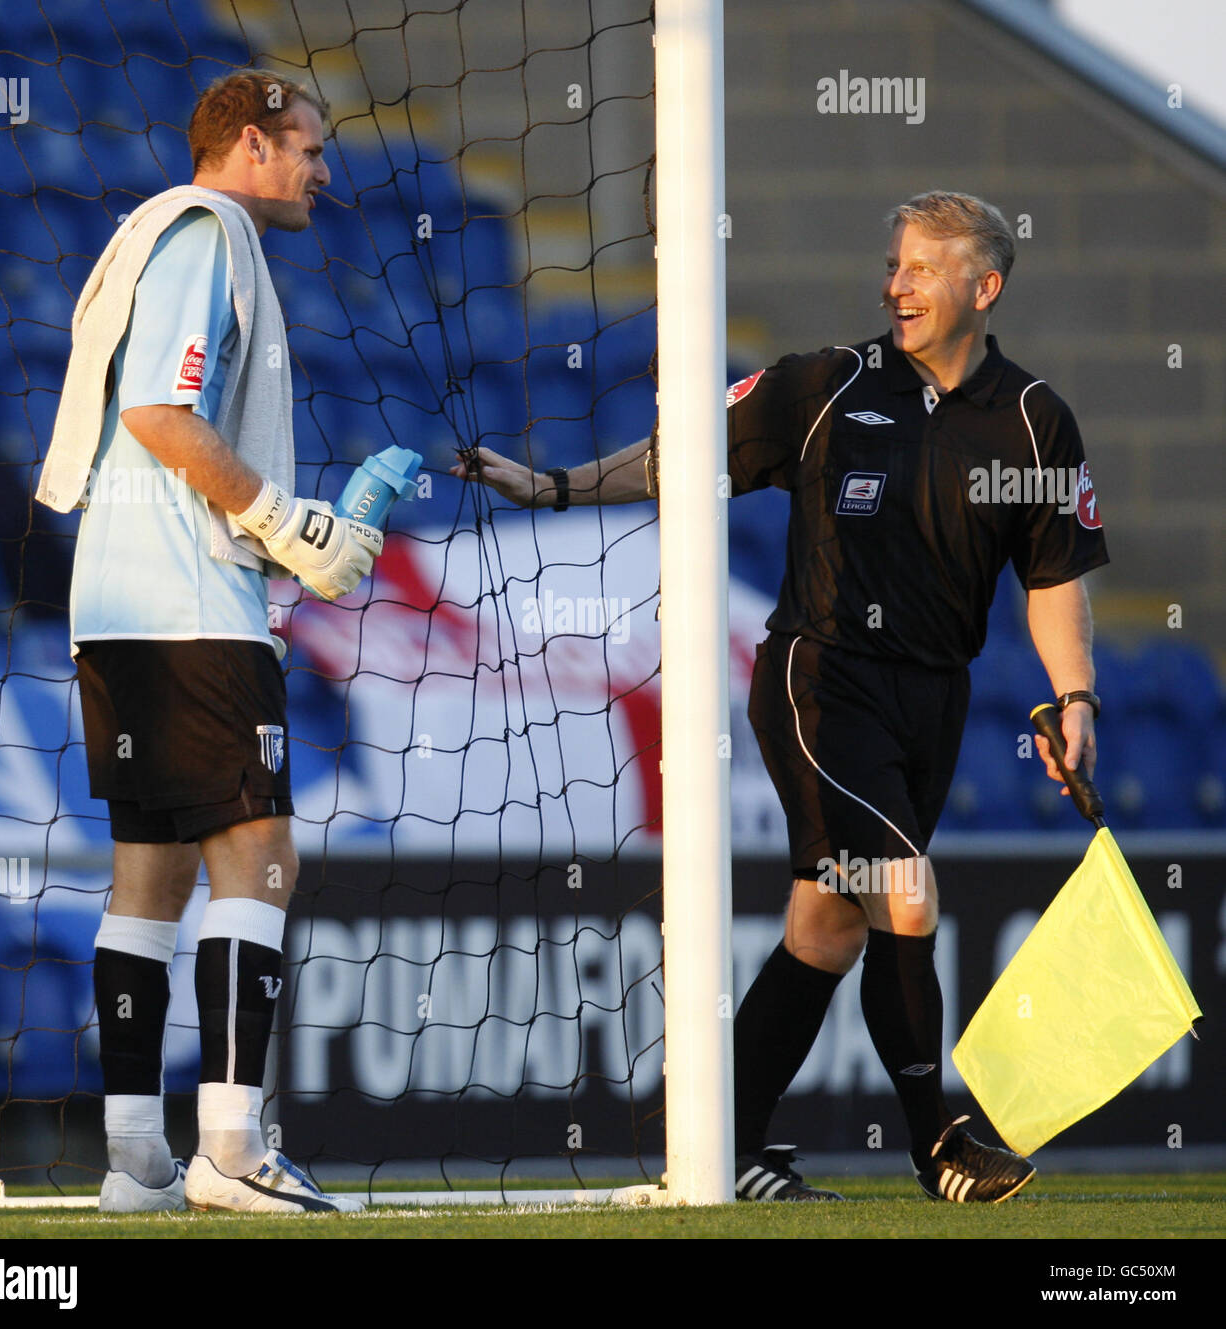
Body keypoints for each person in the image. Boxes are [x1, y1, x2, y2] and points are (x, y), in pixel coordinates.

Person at [454, 190, 1108, 1202]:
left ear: (984, 288)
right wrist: (557, 490)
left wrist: (1076, 700)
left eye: (921, 268)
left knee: (827, 926)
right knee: (900, 888)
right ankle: (939, 1142)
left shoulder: (1033, 422)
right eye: (893, 263)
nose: (896, 283)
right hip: (821, 680)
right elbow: (682, 456)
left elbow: (1055, 576)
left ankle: (727, 1146)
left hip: (931, 703)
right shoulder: (827, 385)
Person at [37, 71, 382, 1213]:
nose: (322, 171)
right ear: (251, 144)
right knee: (262, 857)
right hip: (189, 607)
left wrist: (283, 535)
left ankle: (135, 1162)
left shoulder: (148, 233)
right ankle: (232, 1148)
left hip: (119, 607)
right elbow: (157, 412)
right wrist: (283, 522)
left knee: (150, 875)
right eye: (309, 149)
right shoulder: (208, 228)